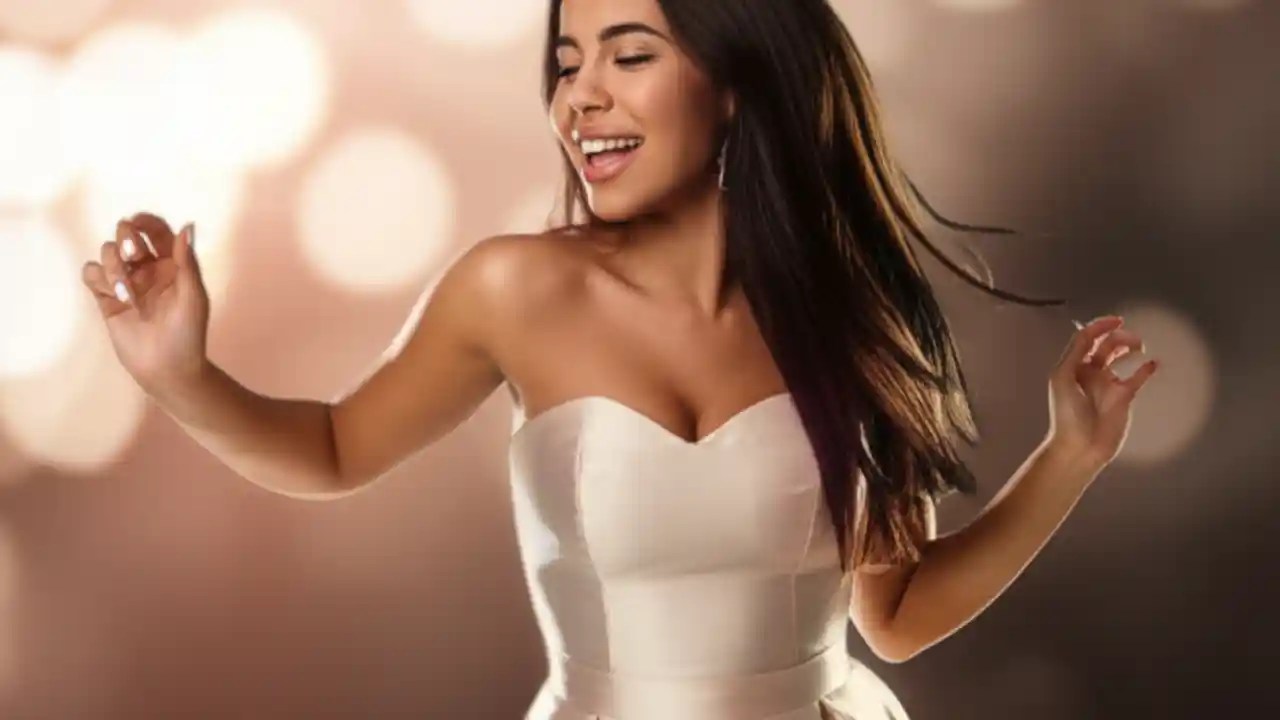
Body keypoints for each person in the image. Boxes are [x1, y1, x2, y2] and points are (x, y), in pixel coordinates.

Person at [79, 0, 1160, 718]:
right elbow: (328, 452)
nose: (579, 96)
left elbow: (897, 617)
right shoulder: (513, 289)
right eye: (565, 62)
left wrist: (1068, 456)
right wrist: (182, 375)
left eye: (628, 55)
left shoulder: (847, 315)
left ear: (732, 81)